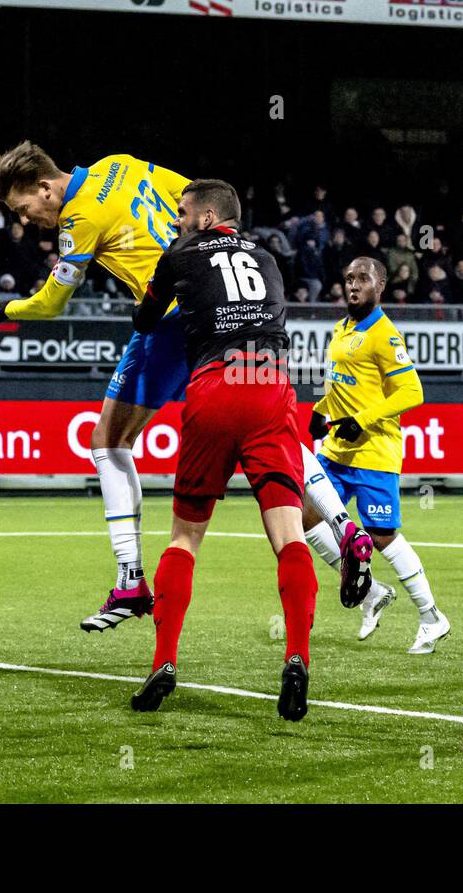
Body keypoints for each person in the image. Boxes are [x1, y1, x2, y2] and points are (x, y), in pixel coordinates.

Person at [0, 143, 363, 633]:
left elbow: (52, 303)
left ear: (44, 187)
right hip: (222, 304)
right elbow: (192, 199)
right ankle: (345, 532)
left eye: (23, 208)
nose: (26, 220)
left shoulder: (78, 219)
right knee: (265, 427)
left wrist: (3, 311)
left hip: (167, 320)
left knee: (109, 441)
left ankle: (130, 580)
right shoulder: (119, 165)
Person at [126, 179, 318, 721]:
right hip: (271, 386)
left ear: (209, 217)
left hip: (214, 385)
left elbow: (145, 320)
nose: (178, 221)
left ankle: (164, 661)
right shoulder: (269, 256)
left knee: (185, 537)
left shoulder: (179, 253)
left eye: (185, 213)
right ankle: (297, 656)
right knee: (288, 535)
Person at [308, 256, 450, 653]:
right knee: (304, 514)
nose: (353, 285)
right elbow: (340, 387)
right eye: (349, 278)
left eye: (363, 279)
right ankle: (370, 593)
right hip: (336, 451)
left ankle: (431, 616)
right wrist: (322, 413)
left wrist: (363, 419)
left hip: (373, 452)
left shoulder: (385, 335)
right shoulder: (342, 328)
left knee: (382, 537)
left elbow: (412, 392)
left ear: (380, 285)